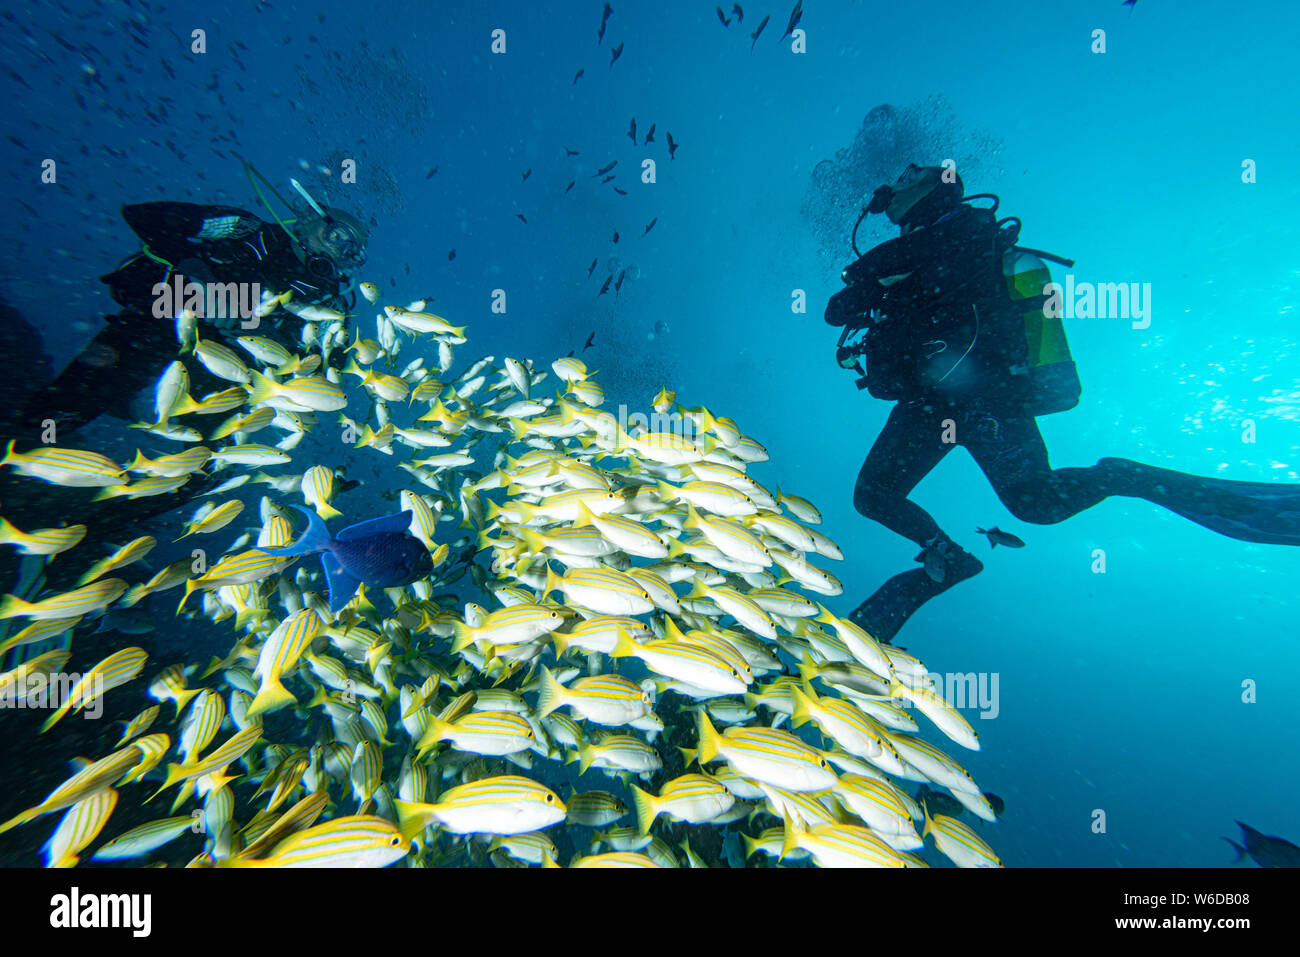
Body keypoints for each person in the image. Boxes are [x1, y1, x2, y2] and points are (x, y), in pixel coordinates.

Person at [826, 164, 1300, 644]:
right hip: (934, 403)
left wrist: (863, 278)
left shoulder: (959, 233)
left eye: (909, 174)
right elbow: (852, 305)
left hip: (986, 397)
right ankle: (946, 559)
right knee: (879, 497)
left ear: (934, 185)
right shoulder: (918, 255)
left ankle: (1121, 476)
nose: (893, 185)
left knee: (1032, 505)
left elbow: (862, 285)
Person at [0, 172, 368, 591]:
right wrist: (202, 280)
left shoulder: (328, 304)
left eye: (353, 250)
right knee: (63, 408)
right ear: (308, 218)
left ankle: (77, 536)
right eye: (338, 235)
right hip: (155, 332)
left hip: (219, 380)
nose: (342, 250)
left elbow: (320, 380)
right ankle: (17, 460)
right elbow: (143, 217)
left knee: (196, 472)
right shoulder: (246, 230)